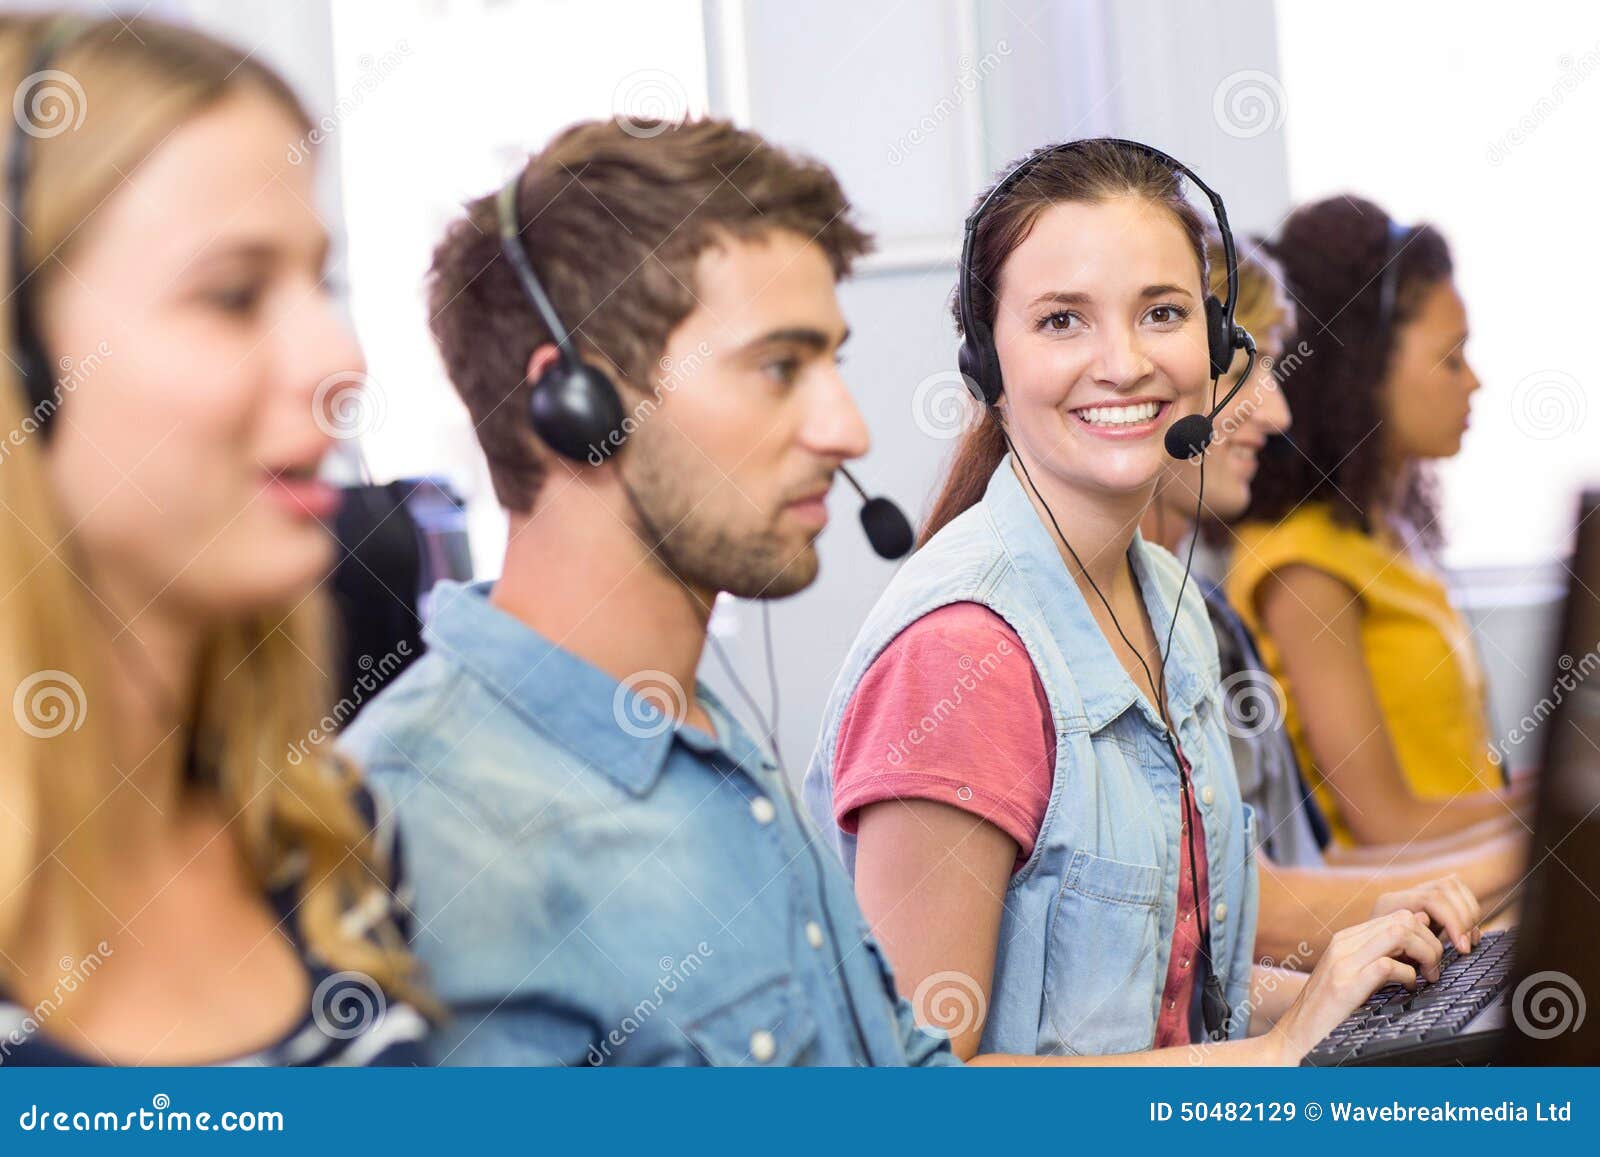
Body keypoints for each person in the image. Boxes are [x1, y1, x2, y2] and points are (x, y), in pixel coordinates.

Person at [339, 116, 970, 1066]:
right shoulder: (430, 831)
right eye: (779, 367)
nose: (848, 428)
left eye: (829, 364)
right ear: (576, 405)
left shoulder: (700, 727)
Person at [801, 139, 1447, 1064]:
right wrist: (1277, 1051)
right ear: (988, 365)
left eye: (1163, 313)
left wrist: (1335, 992)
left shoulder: (1169, 606)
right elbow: (921, 1094)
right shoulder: (961, 655)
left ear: (1217, 345)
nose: (1125, 361)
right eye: (1063, 320)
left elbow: (1167, 1005)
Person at [0, 13, 430, 1065]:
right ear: (24, 369)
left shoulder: (330, 840)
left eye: (316, 285)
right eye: (234, 295)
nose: (340, 359)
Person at [1140, 237, 1523, 967]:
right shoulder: (1297, 568)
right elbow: (1263, 904)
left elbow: (1270, 882)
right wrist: (1547, 840)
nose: (1277, 410)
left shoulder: (1186, 605)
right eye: (1449, 356)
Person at [1224, 197, 1531, 847]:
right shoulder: (1302, 566)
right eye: (1451, 358)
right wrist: (1550, 818)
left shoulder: (1384, 534)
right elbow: (1388, 826)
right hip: (1419, 910)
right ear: (1363, 375)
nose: (1473, 380)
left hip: (1475, 879)